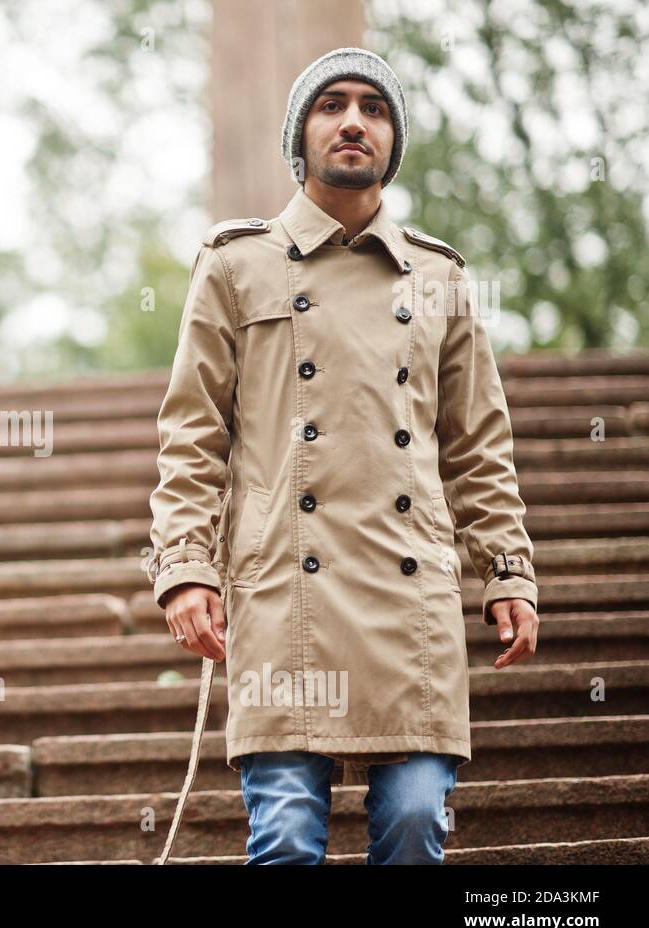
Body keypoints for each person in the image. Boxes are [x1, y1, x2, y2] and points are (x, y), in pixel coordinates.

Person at [147, 47, 541, 865]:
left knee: (414, 823)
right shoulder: (234, 263)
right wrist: (185, 565)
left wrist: (507, 570)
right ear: (302, 135)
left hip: (411, 600)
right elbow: (192, 434)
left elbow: (478, 448)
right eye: (332, 105)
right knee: (287, 838)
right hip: (285, 589)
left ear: (393, 139)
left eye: (374, 106)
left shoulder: (439, 277)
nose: (354, 120)